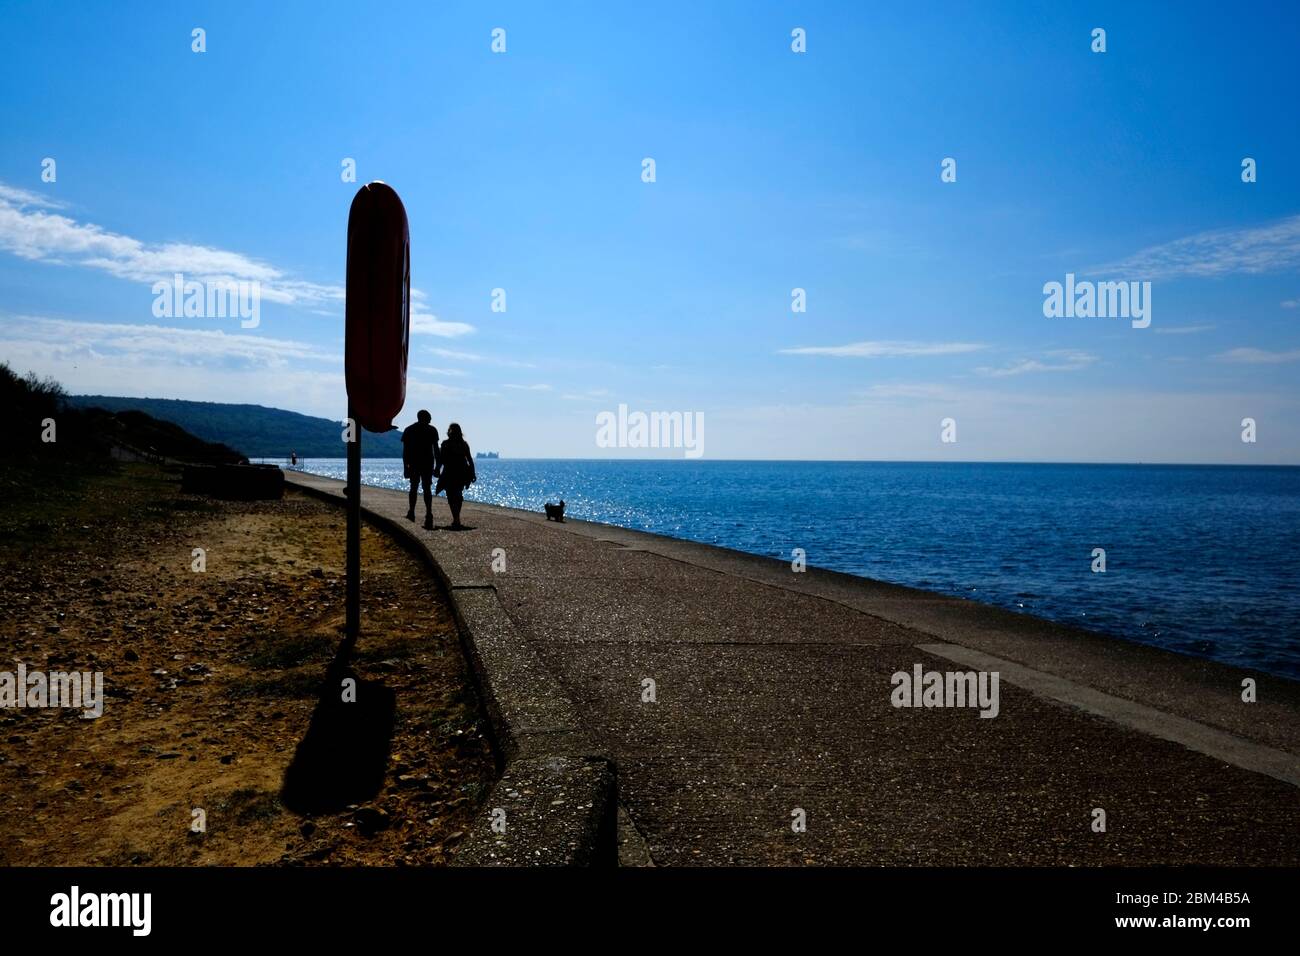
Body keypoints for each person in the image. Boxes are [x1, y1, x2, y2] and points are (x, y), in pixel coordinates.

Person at [401, 410, 440, 529]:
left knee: (414, 487)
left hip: (414, 463)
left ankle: (412, 512)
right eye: (429, 417)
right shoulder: (432, 430)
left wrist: (405, 467)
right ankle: (428, 514)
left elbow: (405, 452)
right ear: (425, 418)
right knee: (426, 488)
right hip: (427, 463)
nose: (431, 419)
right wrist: (438, 466)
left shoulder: (409, 430)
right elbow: (436, 450)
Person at [435, 422, 475, 530]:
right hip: (461, 472)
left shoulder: (446, 444)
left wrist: (437, 469)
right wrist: (472, 472)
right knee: (458, 495)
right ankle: (456, 519)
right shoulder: (463, 444)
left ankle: (456, 519)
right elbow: (469, 460)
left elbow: (441, 460)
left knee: (452, 496)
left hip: (450, 472)